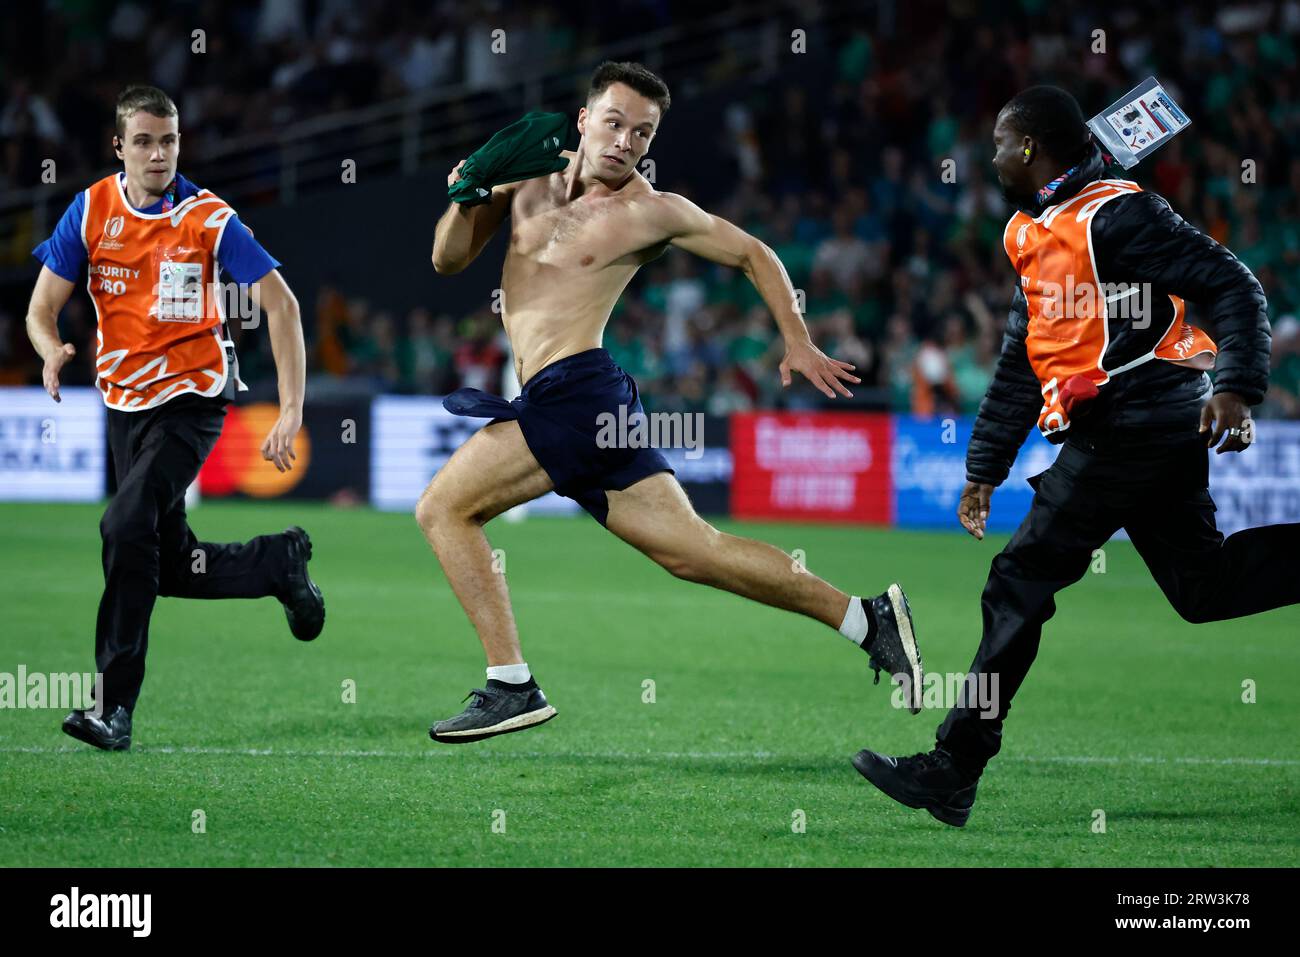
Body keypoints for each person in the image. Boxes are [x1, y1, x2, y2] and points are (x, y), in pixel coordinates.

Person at [421, 61, 923, 743]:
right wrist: (465, 194)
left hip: (577, 392)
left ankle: (512, 684)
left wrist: (797, 341)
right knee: (698, 551)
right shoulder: (525, 181)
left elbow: (754, 253)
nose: (626, 140)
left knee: (443, 508)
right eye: (615, 122)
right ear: (584, 120)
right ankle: (868, 619)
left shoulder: (652, 212)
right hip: (580, 403)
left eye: (643, 132)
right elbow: (448, 259)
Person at [853, 85, 1296, 826]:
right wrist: (983, 468)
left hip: (1132, 423)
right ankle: (954, 770)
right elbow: (1024, 361)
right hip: (1145, 431)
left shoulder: (1118, 213)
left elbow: (1232, 283)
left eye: (999, 142)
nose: (990, 156)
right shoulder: (1033, 232)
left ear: (1028, 148)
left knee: (1019, 577)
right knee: (1204, 588)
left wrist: (1239, 386)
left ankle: (953, 767)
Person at [25, 85, 325, 751]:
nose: (158, 153)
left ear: (179, 142)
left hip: (191, 401)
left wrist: (293, 406)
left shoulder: (209, 218)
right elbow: (41, 308)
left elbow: (283, 307)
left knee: (123, 524)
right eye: (144, 141)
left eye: (168, 140)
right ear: (119, 147)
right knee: (169, 561)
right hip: (123, 408)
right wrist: (50, 351)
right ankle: (277, 563)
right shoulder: (91, 208)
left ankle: (113, 705)